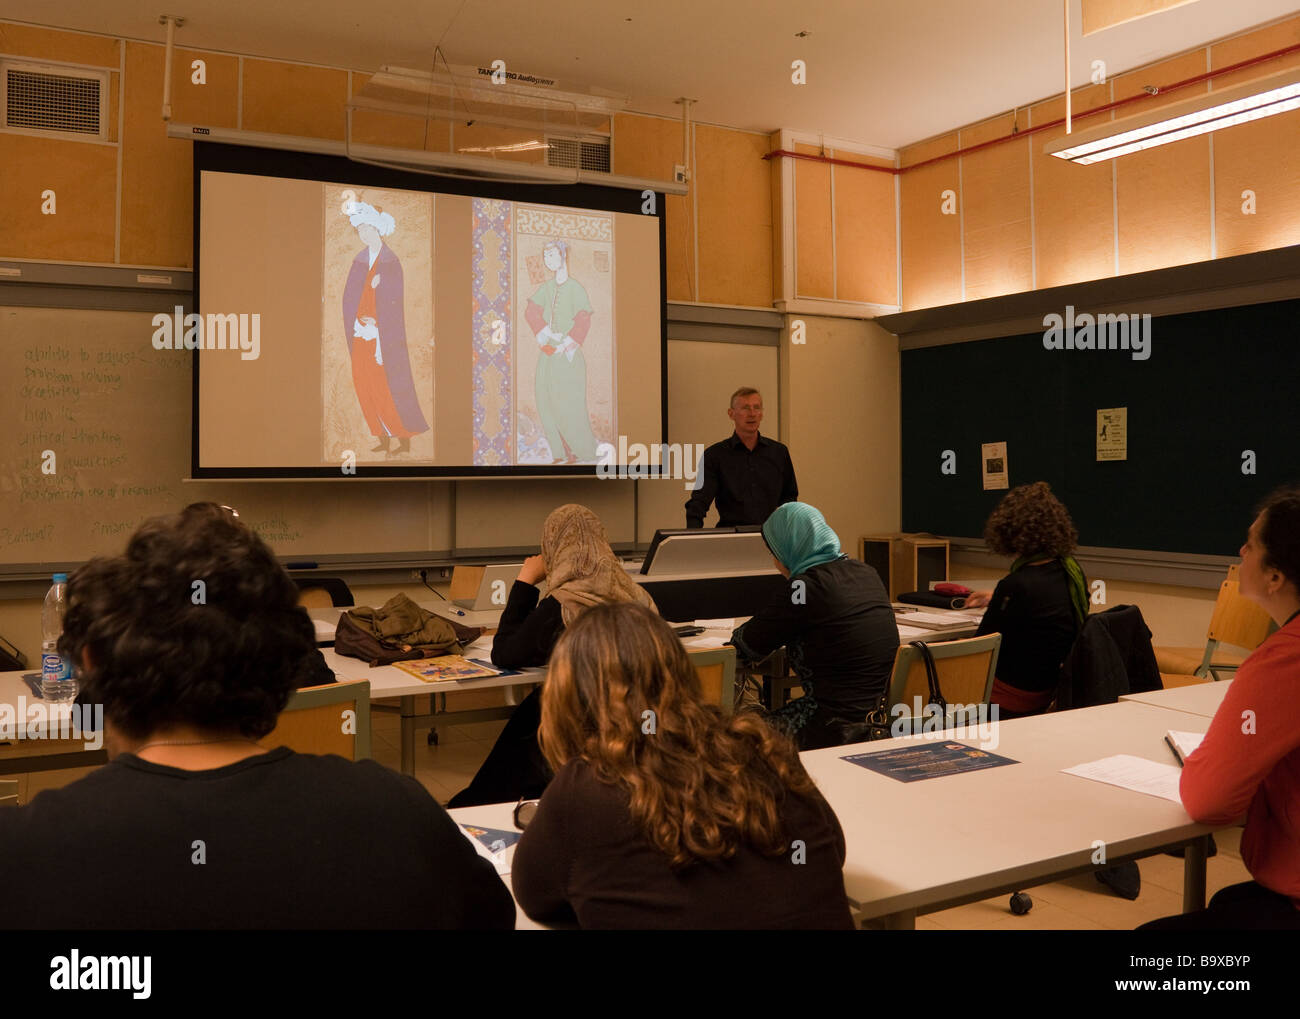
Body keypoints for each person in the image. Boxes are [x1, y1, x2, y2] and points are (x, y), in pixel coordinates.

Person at [0, 502, 512, 929]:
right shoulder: (398, 815)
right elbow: (492, 917)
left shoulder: (29, 852)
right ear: (284, 663)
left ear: (90, 661)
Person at [512, 601, 854, 929]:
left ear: (567, 698)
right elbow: (833, 849)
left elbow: (535, 896)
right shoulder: (764, 747)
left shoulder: (584, 788)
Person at [1142, 487, 1300, 930]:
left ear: (1275, 577)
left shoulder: (1282, 662)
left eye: (1253, 544)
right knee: (1230, 900)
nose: (1241, 551)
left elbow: (1209, 802)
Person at [447, 503, 657, 807]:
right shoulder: (639, 598)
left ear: (554, 547)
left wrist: (524, 582)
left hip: (571, 727)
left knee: (504, 761)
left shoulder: (564, 605)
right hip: (633, 724)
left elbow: (505, 653)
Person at [730, 502, 899, 750]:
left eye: (774, 553)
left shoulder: (805, 586)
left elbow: (745, 645)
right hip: (881, 722)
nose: (775, 562)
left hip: (830, 727)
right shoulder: (866, 572)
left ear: (789, 548)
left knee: (735, 737)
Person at [965, 482, 1088, 719]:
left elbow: (978, 648)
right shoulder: (1071, 572)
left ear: (1008, 530)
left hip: (1007, 699)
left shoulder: (1016, 585)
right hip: (1046, 690)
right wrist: (997, 597)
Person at [341, 199, 430, 456]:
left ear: (378, 229)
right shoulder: (359, 260)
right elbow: (349, 297)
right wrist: (358, 321)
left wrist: (382, 297)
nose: (364, 235)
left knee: (387, 386)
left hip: (383, 337)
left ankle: (403, 439)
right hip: (361, 333)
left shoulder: (390, 261)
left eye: (368, 230)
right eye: (360, 231)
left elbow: (395, 301)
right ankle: (382, 437)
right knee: (365, 383)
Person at [524, 239, 600, 464]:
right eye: (545, 256)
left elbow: (583, 320)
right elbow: (531, 312)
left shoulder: (575, 288)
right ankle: (560, 453)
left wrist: (566, 343)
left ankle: (580, 452)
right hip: (548, 356)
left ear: (563, 256)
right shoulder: (545, 289)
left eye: (552, 255)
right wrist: (546, 333)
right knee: (545, 401)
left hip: (568, 358)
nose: (548, 260)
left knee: (569, 405)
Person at [684, 387, 798, 528]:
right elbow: (699, 503)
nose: (752, 414)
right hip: (730, 538)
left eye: (756, 408)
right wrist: (692, 540)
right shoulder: (715, 455)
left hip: (772, 537)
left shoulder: (779, 452)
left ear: (762, 414)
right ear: (731, 414)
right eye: (745, 408)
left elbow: (789, 499)